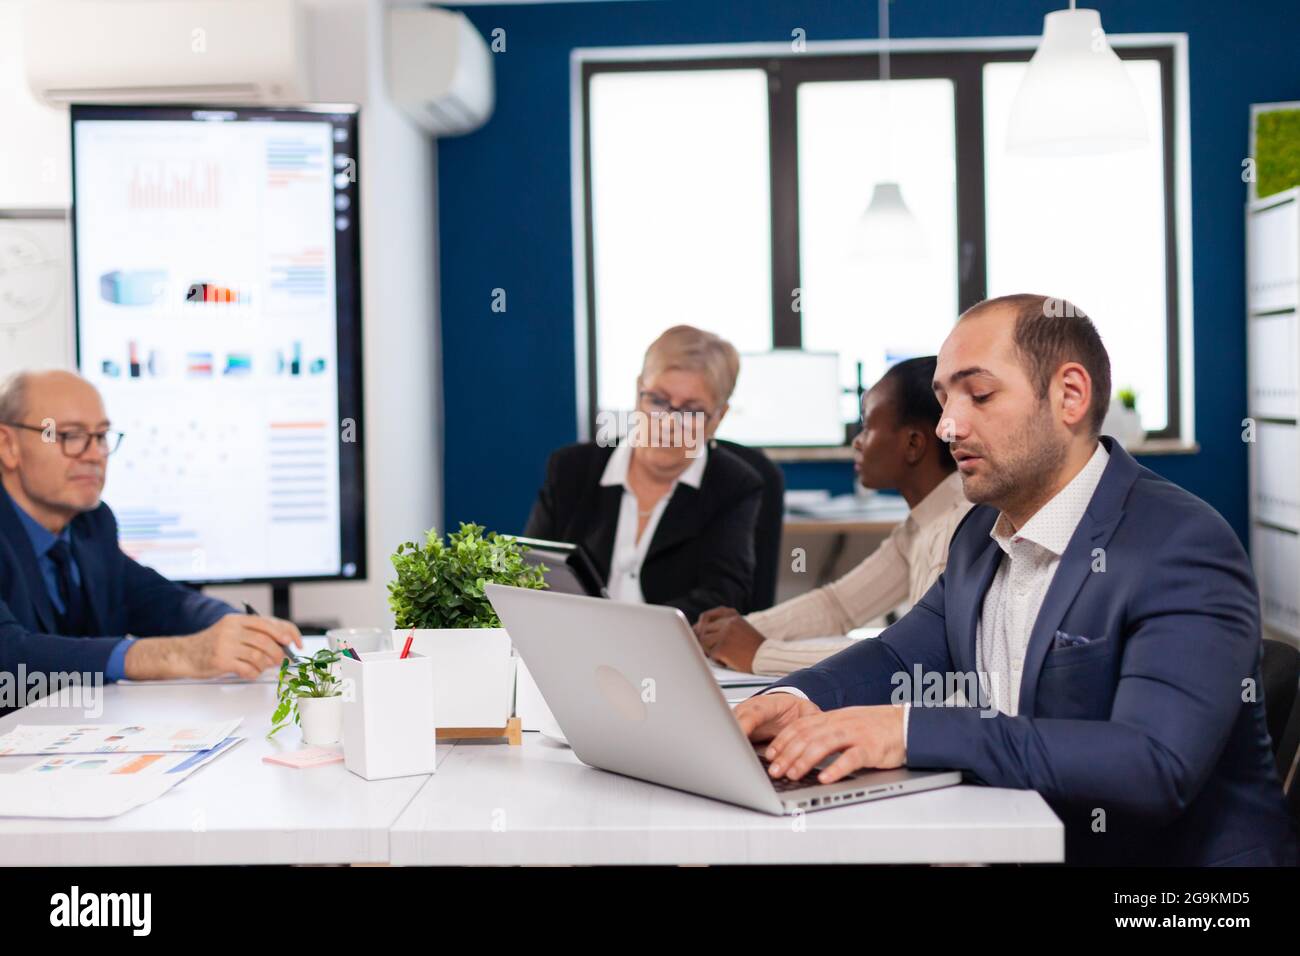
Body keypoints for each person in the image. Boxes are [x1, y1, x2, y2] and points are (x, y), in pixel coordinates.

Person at [734, 294, 1298, 866]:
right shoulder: (981, 533)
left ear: (1069, 396)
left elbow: (1153, 763)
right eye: (942, 399)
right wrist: (796, 697)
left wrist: (906, 730)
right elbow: (901, 661)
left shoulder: (1181, 544)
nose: (948, 424)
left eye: (978, 394)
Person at [0, 370, 302, 701]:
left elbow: (158, 600)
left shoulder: (92, 524)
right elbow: (11, 654)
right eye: (70, 435)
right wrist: (178, 655)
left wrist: (237, 627)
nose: (94, 453)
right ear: (7, 445)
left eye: (101, 436)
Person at [694, 357, 970, 675]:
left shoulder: (956, 527)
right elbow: (838, 605)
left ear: (913, 444)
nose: (857, 441)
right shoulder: (921, 525)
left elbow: (910, 659)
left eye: (866, 427)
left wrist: (762, 653)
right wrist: (730, 633)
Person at [524, 326, 763, 623]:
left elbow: (724, 597)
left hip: (670, 653)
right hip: (573, 641)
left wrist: (632, 630)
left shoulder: (734, 486)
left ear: (718, 417)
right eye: (658, 401)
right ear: (639, 392)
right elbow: (530, 575)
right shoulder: (572, 468)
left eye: (691, 411)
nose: (667, 423)